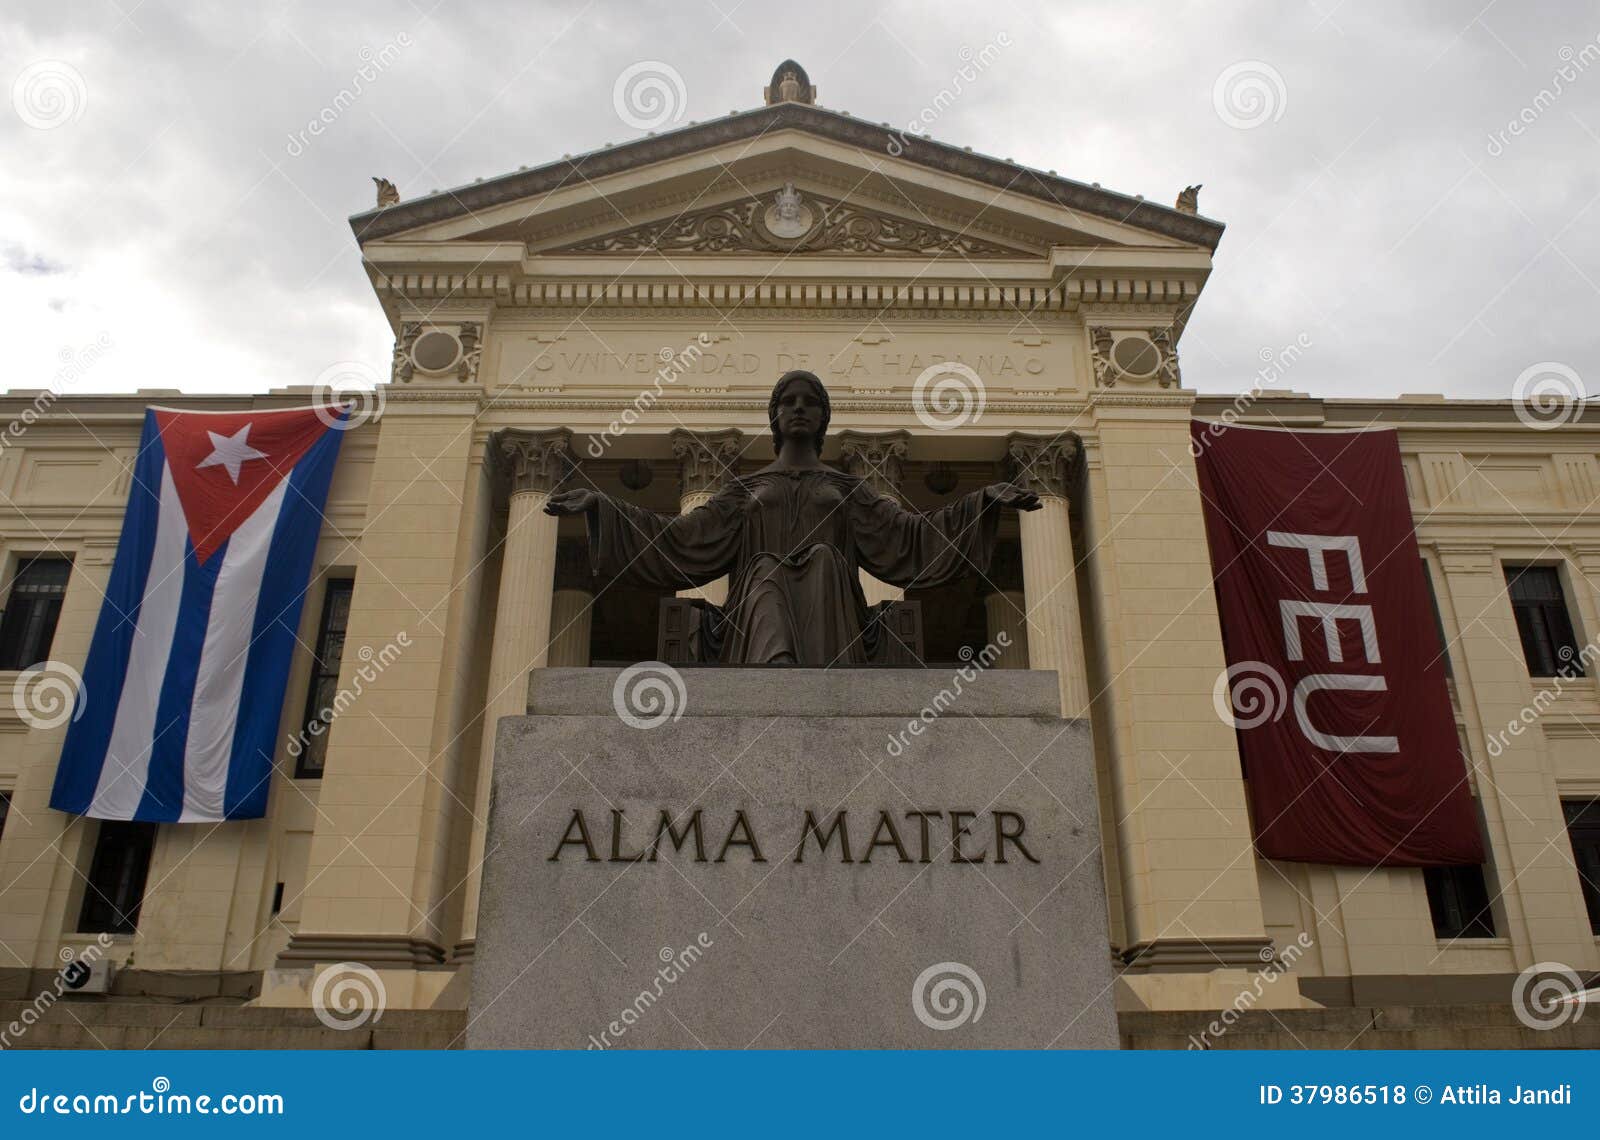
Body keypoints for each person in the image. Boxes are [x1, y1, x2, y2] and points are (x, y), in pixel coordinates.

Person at [544, 369, 1040, 665]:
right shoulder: (745, 490)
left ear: (824, 418)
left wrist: (981, 503)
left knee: (821, 558)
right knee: (764, 570)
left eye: (810, 403)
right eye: (788, 402)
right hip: (752, 613)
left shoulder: (847, 489)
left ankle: (812, 681)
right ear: (775, 416)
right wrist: (604, 507)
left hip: (836, 616)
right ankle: (775, 672)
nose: (798, 409)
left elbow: (908, 537)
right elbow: (681, 538)